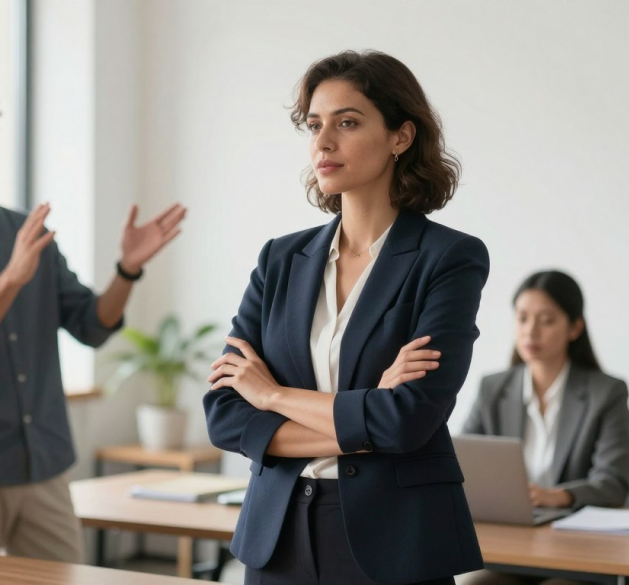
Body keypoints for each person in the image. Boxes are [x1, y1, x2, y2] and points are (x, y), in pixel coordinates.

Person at [203, 50, 488, 584]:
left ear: (401, 136)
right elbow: (224, 413)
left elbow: (408, 419)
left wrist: (272, 397)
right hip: (280, 532)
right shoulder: (280, 259)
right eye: (314, 125)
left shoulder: (449, 258)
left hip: (394, 540)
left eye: (347, 122)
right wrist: (363, 419)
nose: (323, 142)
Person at [0, 81, 186, 561]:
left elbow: (91, 325)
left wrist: (127, 269)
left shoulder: (29, 232)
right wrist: (10, 279)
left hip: (43, 463)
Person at [458, 271, 629, 585]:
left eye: (547, 320)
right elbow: (462, 463)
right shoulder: (492, 389)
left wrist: (559, 496)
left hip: (581, 551)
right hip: (510, 544)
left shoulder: (607, 392)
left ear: (575, 327)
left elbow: (614, 483)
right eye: (522, 318)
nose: (531, 332)